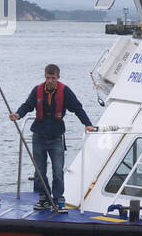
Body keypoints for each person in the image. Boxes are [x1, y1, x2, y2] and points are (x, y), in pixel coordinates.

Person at [10, 64, 95, 209]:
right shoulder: (37, 90)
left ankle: (58, 198)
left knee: (58, 171)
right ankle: (44, 197)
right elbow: (27, 106)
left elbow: (77, 108)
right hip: (39, 136)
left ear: (58, 78)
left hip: (56, 138)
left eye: (53, 78)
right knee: (39, 171)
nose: (50, 81)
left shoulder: (65, 91)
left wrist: (87, 124)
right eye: (48, 78)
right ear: (45, 77)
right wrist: (18, 114)